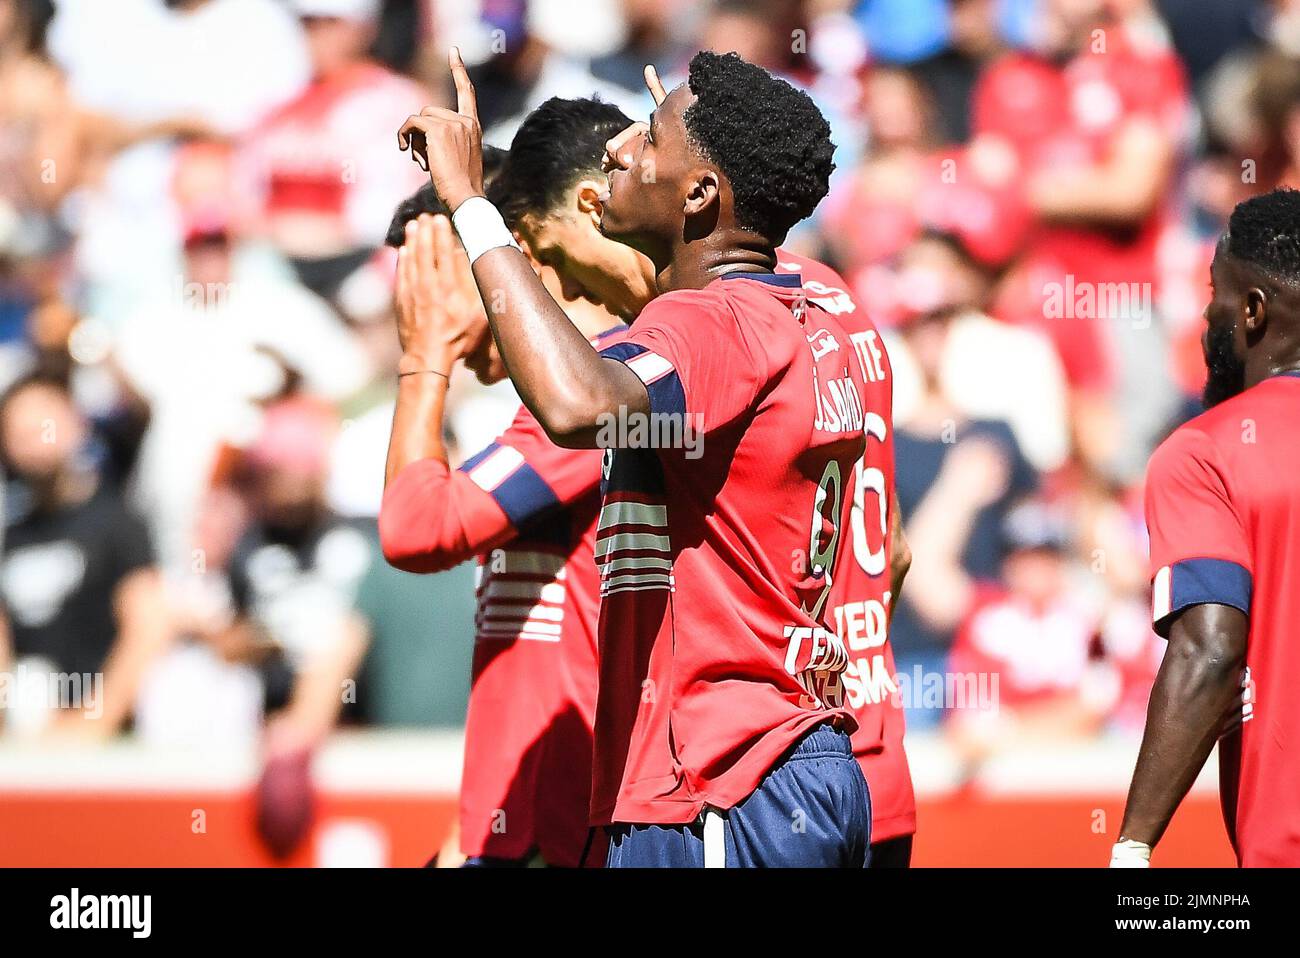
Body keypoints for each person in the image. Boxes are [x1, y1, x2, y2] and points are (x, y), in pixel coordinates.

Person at [400, 48, 869, 867]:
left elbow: (578, 406)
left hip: (721, 774)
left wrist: (472, 204)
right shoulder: (806, 318)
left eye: (647, 139)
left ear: (698, 193)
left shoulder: (716, 325)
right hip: (784, 758)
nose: (618, 148)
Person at [379, 102, 630, 868]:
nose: (413, 306)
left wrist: (426, 358)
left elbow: (414, 530)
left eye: (426, 281)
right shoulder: (569, 404)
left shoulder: (605, 398)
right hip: (517, 835)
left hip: (576, 838)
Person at [1113, 188, 1300, 868]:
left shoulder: (1205, 452)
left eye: (1212, 296)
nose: (1203, 318)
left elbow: (1211, 649)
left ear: (1251, 311)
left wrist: (1132, 845)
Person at [0, 374, 170, 738]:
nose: (34, 441)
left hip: (102, 741)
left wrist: (92, 722)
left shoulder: (119, 521)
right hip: (27, 734)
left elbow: (148, 628)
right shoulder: (9, 534)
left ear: (77, 424)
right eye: (20, 432)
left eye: (43, 425)